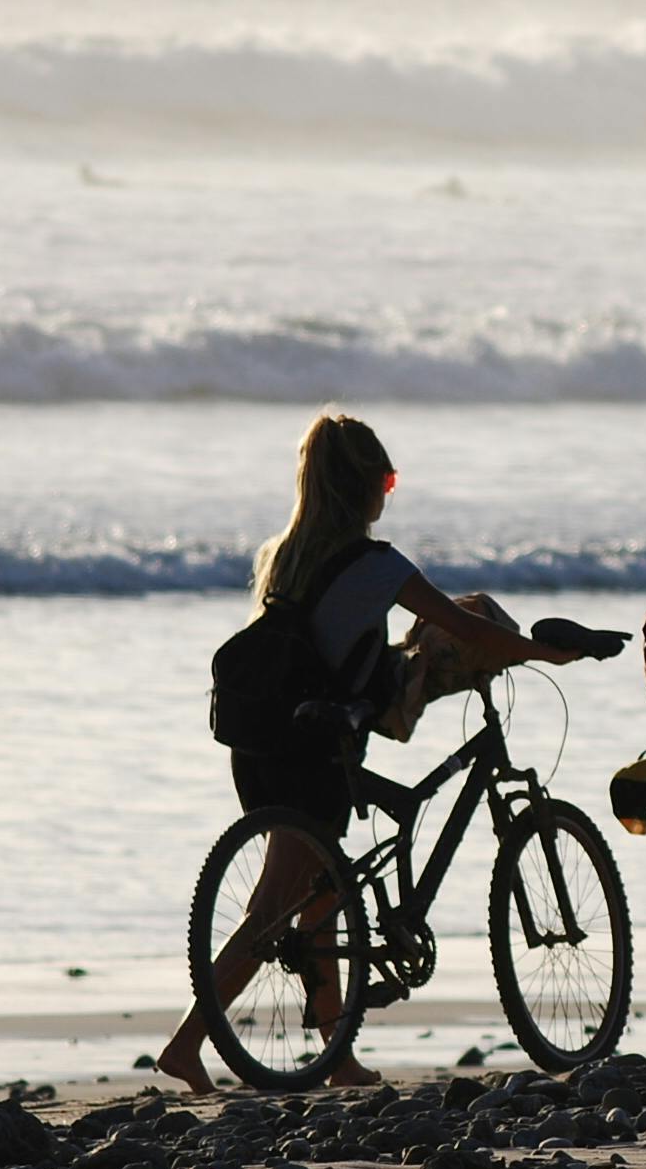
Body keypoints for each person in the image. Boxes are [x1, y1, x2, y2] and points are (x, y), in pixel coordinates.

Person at [157, 411, 580, 1093]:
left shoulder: (284, 554)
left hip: (261, 740)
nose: (391, 491)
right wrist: (542, 651)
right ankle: (186, 1043)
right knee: (274, 909)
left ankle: (338, 1056)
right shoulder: (378, 566)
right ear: (365, 487)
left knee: (320, 897)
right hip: (311, 747)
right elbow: (461, 624)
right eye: (388, 478)